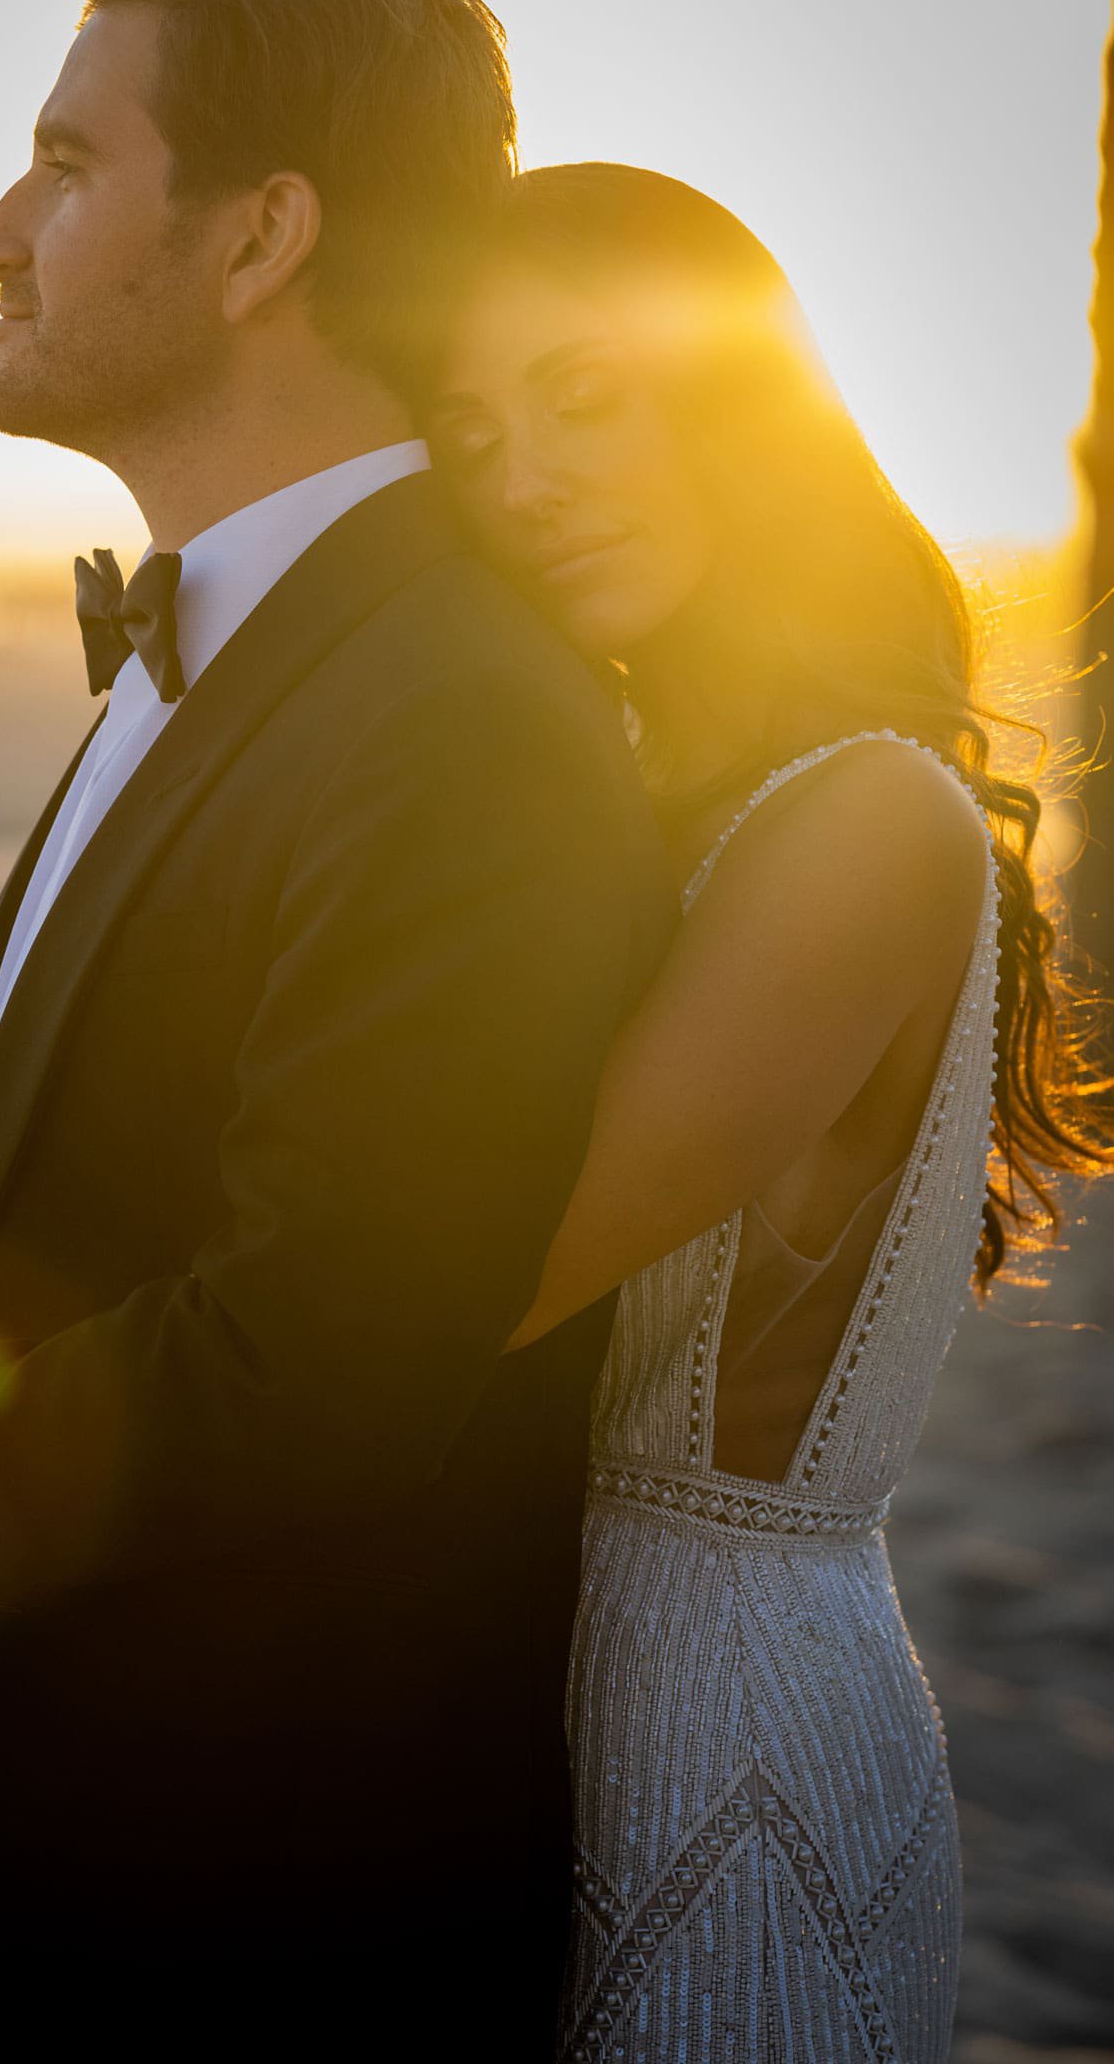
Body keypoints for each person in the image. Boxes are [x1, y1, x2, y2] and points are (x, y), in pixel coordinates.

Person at [0, 0, 676, 2060]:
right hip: (45, 1898)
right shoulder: (253, 644)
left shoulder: (458, 713)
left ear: (257, 240)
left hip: (234, 1940)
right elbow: (82, 1193)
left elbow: (322, 1349)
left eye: (61, 162)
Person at [425, 161, 1112, 2063]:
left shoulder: (866, 816)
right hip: (563, 1693)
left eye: (580, 397)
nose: (524, 476)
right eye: (470, 431)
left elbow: (452, 1278)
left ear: (734, 403)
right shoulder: (672, 796)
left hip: (712, 1730)